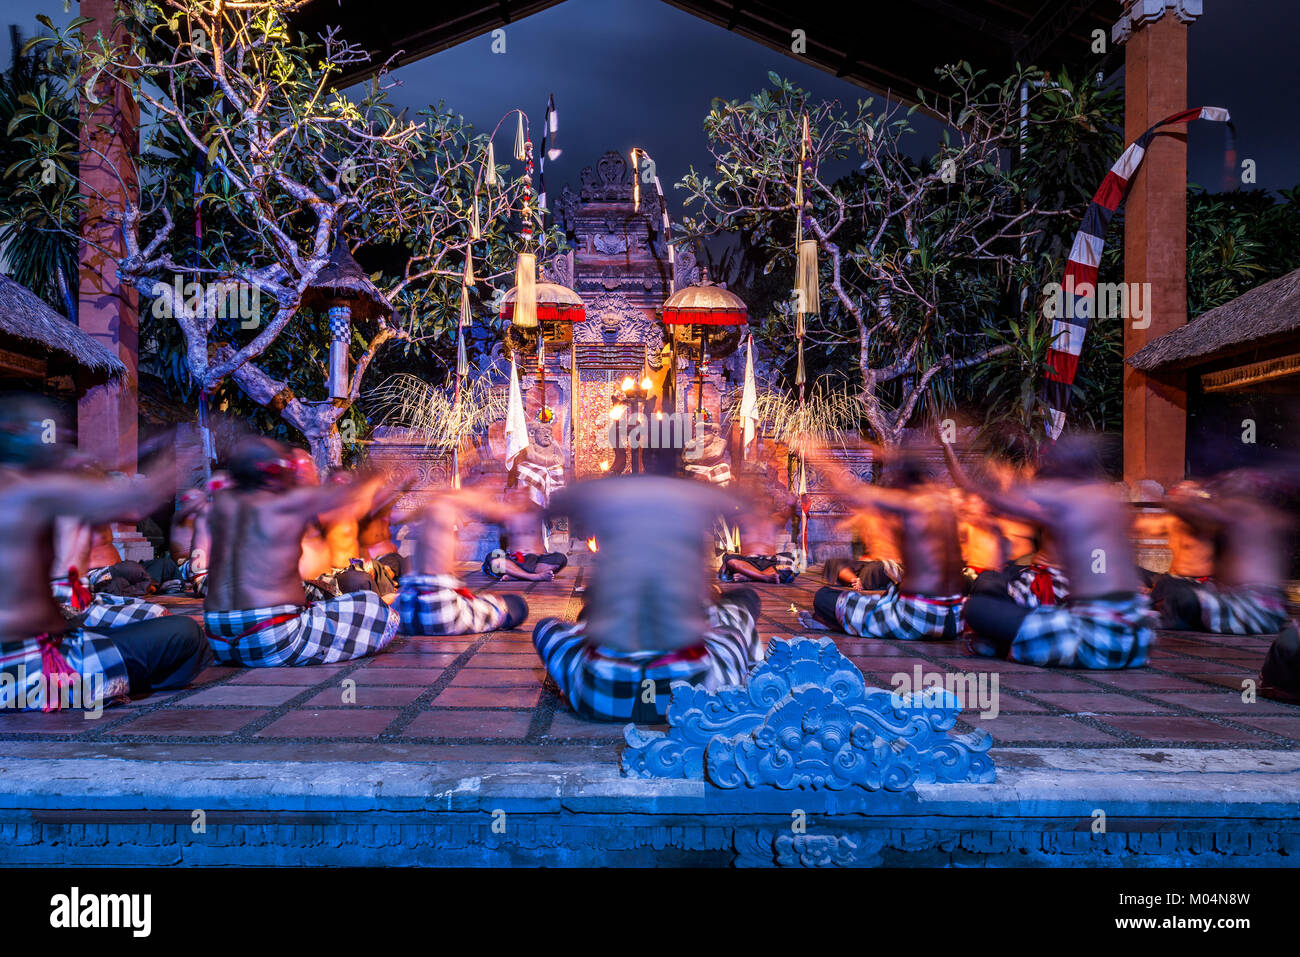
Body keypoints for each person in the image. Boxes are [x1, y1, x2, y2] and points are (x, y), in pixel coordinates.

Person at [0, 396, 209, 711]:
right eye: (47, 435)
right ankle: (102, 685)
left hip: (38, 645)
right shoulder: (29, 489)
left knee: (157, 613)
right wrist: (173, 455)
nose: (55, 444)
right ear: (13, 431)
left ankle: (119, 676)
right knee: (183, 634)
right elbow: (137, 501)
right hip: (32, 669)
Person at [533, 476, 763, 722]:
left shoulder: (607, 515)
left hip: (602, 695)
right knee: (737, 616)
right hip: (692, 695)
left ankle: (594, 632)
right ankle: (751, 659)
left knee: (549, 629)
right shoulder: (688, 521)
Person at [960, 435, 1155, 669]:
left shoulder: (1069, 497)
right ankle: (1010, 644)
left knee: (978, 609)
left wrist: (996, 475)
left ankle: (1010, 645)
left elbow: (1002, 499)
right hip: (1138, 639)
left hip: (1098, 639)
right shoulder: (1108, 500)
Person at [202, 438, 399, 666]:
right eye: (289, 466)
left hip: (217, 640)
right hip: (271, 637)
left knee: (323, 606)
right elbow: (350, 497)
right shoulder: (285, 502)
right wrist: (378, 474)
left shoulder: (221, 505)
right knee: (371, 606)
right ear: (273, 472)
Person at [801, 451, 966, 641]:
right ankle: (840, 620)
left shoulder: (911, 503)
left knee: (824, 598)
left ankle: (837, 623)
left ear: (902, 480)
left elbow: (850, 490)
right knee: (877, 597)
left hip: (917, 620)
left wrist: (814, 451)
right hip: (954, 618)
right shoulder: (944, 504)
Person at [1154, 474, 1292, 635]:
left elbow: (1193, 511)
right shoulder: (1231, 517)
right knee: (1173, 588)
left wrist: (1180, 497)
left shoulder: (1246, 512)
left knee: (1183, 597)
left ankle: (1175, 620)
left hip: (1257, 605)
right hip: (1237, 599)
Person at [394, 485, 530, 635]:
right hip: (423, 607)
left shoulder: (487, 609)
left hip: (411, 607)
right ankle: (518, 589)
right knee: (517, 603)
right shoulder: (474, 610)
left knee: (441, 507)